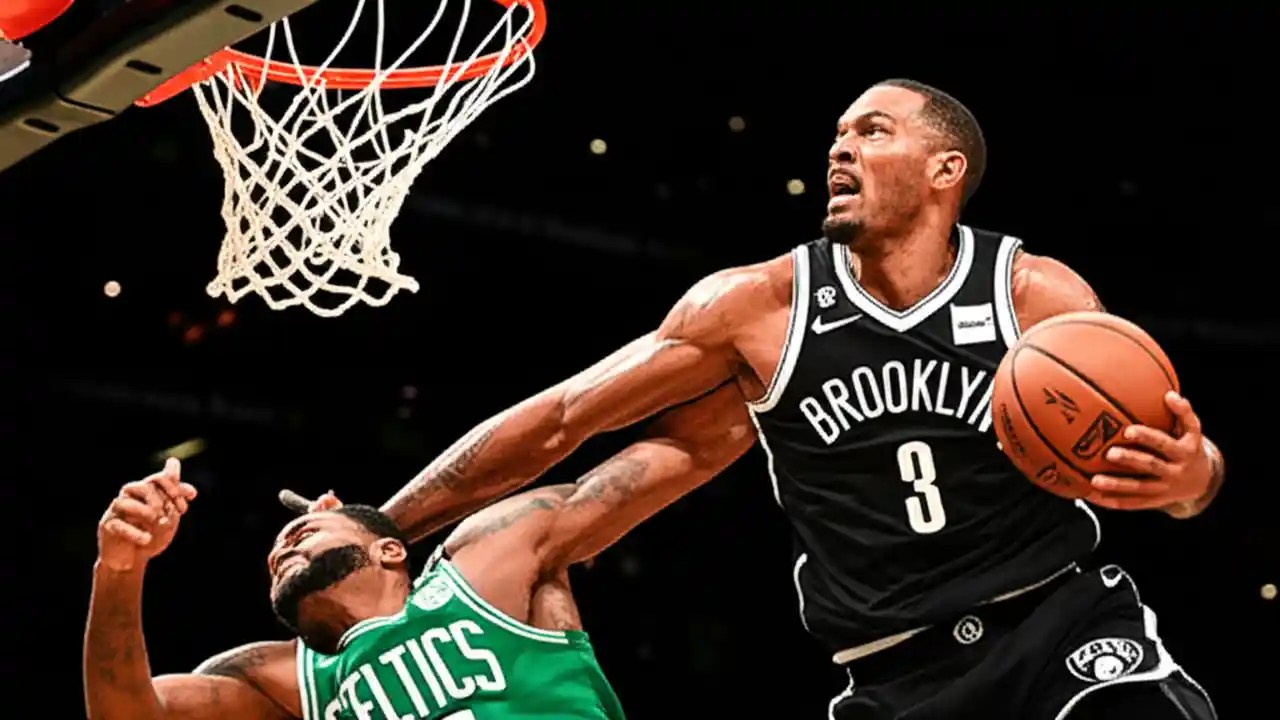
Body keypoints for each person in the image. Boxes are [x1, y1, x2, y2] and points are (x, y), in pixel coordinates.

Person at [370, 79, 1224, 719]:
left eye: (873, 131)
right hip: (894, 676)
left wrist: (1191, 479)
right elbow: (564, 417)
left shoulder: (1033, 295)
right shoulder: (759, 310)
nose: (840, 150)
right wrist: (385, 526)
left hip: (1061, 631)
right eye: (838, 136)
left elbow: (1182, 471)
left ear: (945, 170)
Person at [81, 384, 752, 720]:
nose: (284, 542)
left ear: (389, 549)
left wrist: (765, 376)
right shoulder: (280, 679)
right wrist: (120, 568)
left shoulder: (485, 564)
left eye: (308, 530)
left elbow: (683, 451)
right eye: (277, 551)